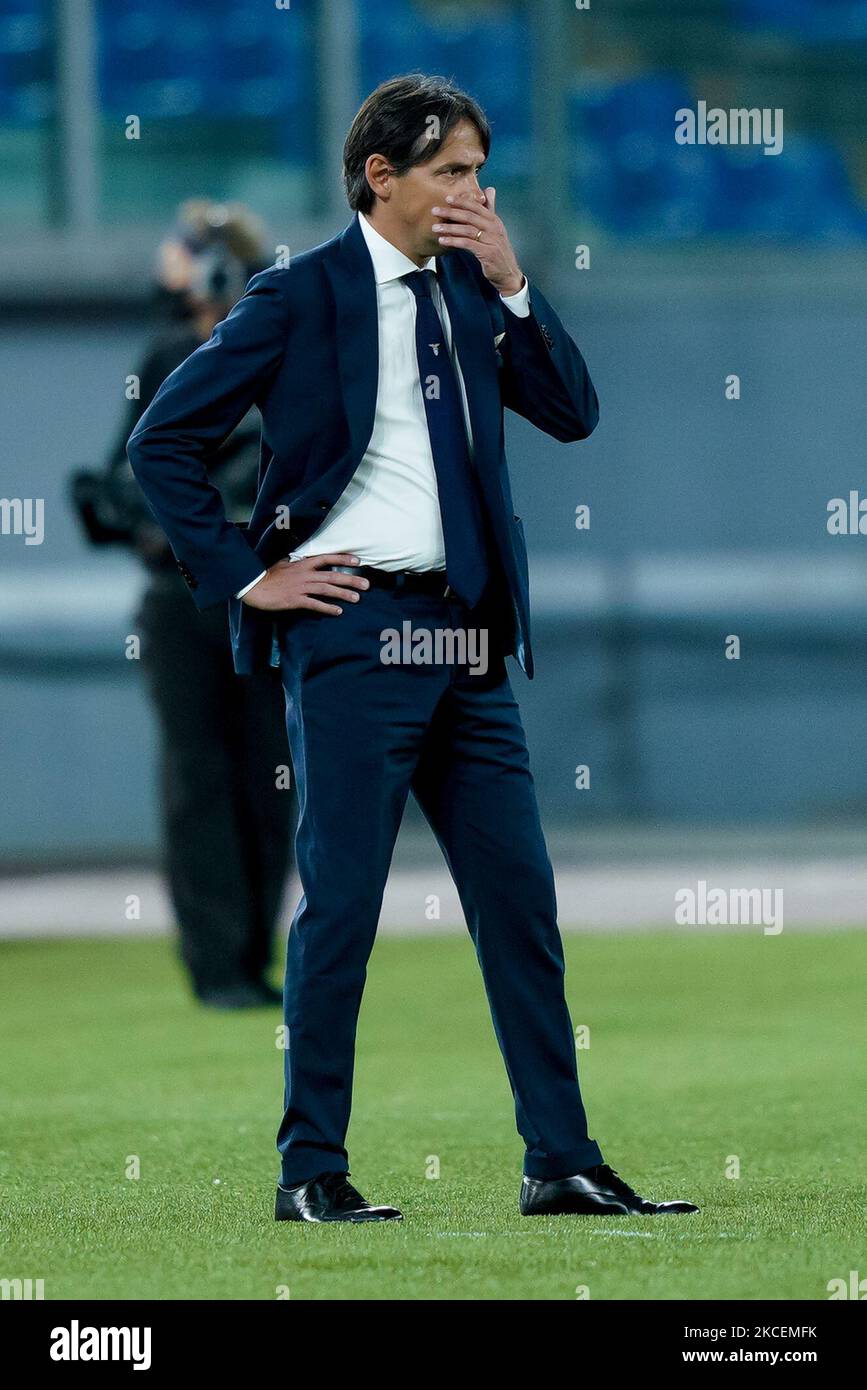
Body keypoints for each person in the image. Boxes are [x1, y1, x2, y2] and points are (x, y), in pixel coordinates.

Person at [128, 76, 699, 1220]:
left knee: (521, 903)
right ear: (380, 176)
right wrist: (251, 574)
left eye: (483, 172)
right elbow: (163, 441)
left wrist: (516, 283)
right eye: (452, 171)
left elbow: (574, 411)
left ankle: (560, 1162)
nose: (474, 192)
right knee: (342, 904)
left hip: (469, 635)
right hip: (352, 630)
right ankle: (310, 1172)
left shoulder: (476, 292)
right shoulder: (298, 295)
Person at [101, 201, 293, 1009]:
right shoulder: (169, 355)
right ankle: (217, 964)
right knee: (200, 778)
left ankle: (249, 955)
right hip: (186, 603)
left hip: (267, 598)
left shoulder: (283, 361)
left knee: (268, 780)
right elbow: (124, 481)